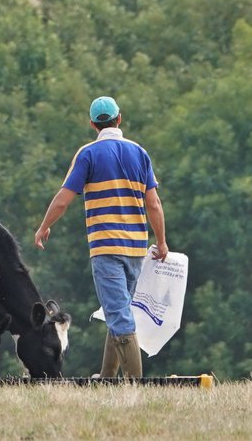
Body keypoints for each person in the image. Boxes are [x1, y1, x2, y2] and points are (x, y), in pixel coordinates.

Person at [33, 95, 168, 378]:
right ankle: (107, 377)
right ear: (119, 119)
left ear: (93, 124)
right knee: (118, 309)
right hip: (136, 248)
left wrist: (44, 226)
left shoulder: (88, 154)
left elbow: (63, 200)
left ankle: (134, 385)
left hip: (106, 246)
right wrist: (161, 242)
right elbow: (154, 204)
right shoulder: (139, 152)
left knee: (118, 313)